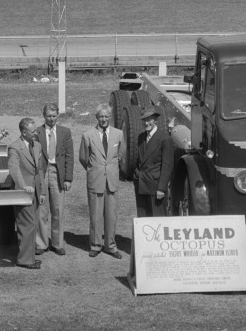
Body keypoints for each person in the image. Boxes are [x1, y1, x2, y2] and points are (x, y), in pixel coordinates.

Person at [77, 103, 124, 258]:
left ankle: (110, 245)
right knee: (96, 215)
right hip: (95, 179)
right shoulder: (88, 135)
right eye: (101, 116)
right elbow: (83, 158)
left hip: (111, 180)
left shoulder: (118, 134)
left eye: (106, 116)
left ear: (110, 117)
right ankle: (96, 245)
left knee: (111, 215)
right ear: (96, 117)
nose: (103, 119)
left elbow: (121, 155)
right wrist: (94, 169)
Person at [35, 103, 74, 256]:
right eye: (49, 116)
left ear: (58, 116)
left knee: (58, 210)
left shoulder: (65, 132)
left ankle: (57, 243)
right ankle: (41, 243)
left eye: (54, 116)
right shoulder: (37, 132)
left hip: (58, 174)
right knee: (42, 211)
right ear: (44, 116)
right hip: (42, 173)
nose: (51, 119)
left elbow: (69, 157)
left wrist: (68, 178)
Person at [7, 117, 44, 269]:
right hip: (23, 192)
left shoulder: (37, 146)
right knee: (26, 224)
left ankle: (29, 255)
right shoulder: (14, 148)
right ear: (24, 132)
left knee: (33, 223)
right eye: (33, 131)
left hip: (35, 191)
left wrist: (41, 192)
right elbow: (14, 170)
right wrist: (24, 186)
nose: (36, 133)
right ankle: (25, 259)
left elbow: (39, 170)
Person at [130, 107, 176, 220]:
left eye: (149, 120)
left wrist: (161, 188)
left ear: (155, 120)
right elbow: (139, 160)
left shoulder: (165, 139)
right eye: (144, 120)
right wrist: (136, 176)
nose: (146, 123)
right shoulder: (141, 137)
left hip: (155, 187)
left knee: (157, 220)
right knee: (143, 219)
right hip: (141, 184)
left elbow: (167, 166)